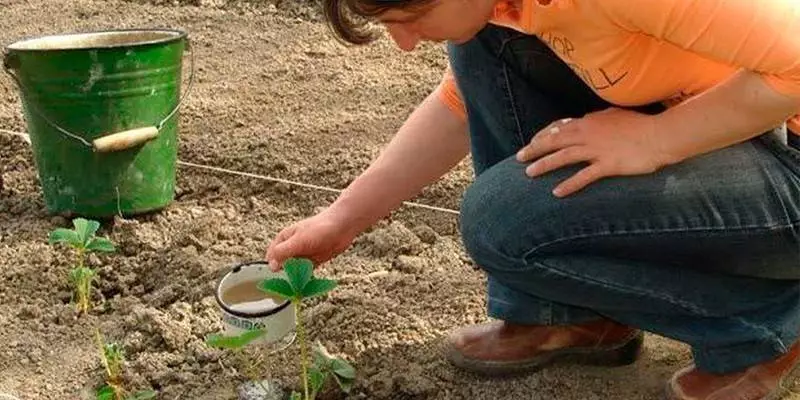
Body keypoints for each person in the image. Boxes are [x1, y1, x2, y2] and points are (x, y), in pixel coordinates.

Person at [265, 0, 800, 398]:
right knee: (483, 44)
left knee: (504, 224)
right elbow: (466, 99)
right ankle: (564, 316)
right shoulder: (506, 7)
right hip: (736, 119)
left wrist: (655, 141)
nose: (404, 43)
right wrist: (343, 218)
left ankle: (764, 326)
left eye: (411, 16)